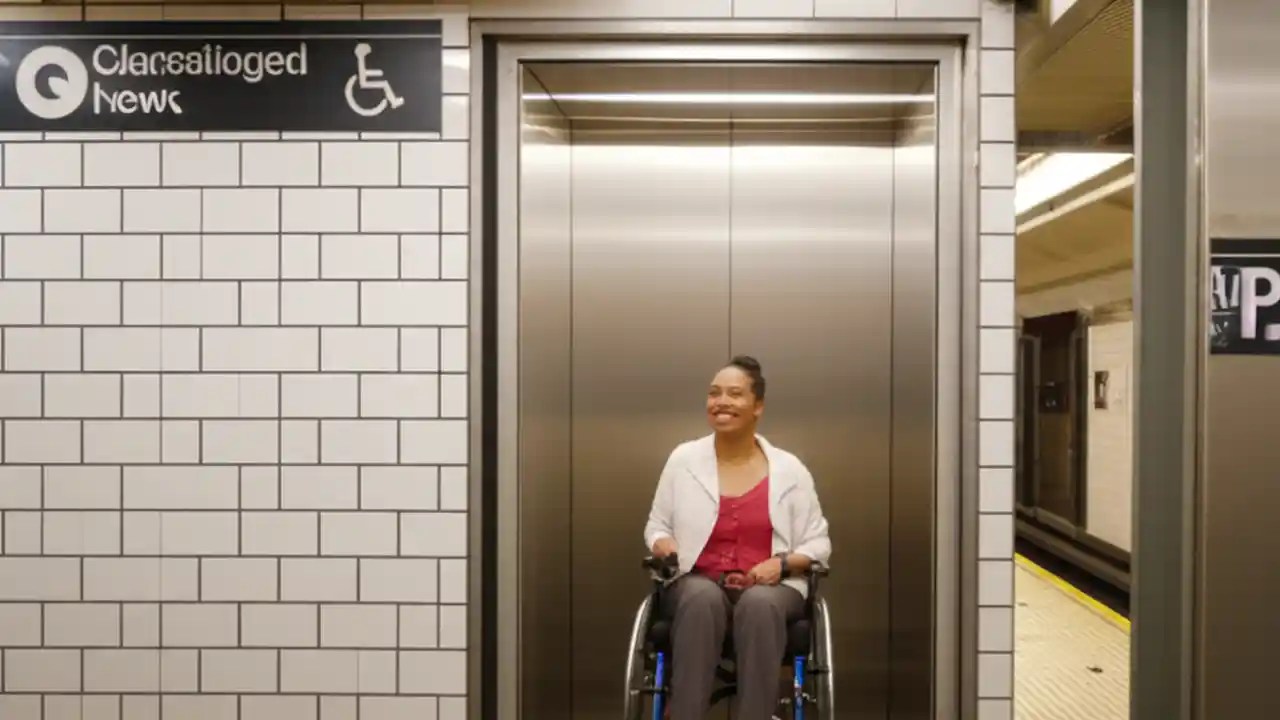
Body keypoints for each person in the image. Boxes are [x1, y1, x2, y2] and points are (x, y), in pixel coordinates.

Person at [643, 355, 832, 720]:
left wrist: (781, 563)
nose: (722, 402)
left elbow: (819, 544)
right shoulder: (683, 460)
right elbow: (656, 525)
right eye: (714, 393)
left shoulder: (789, 469)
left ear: (757, 406)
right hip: (696, 583)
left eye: (734, 394)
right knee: (700, 597)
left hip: (772, 589)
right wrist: (662, 542)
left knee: (760, 604)